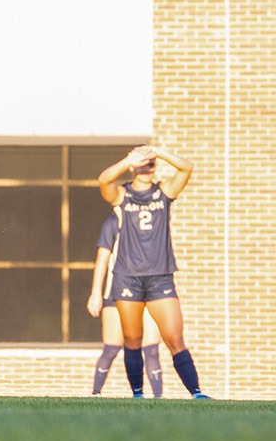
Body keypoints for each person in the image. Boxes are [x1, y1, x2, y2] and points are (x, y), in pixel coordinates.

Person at [97, 144, 208, 399]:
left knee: (174, 338)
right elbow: (103, 180)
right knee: (133, 339)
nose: (148, 166)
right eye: (143, 163)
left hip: (160, 276)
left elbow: (187, 168)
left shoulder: (163, 192)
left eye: (151, 163)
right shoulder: (122, 195)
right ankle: (138, 394)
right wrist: (129, 160)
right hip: (128, 276)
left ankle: (197, 393)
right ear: (135, 167)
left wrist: (158, 151)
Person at [87, 212, 162, 397]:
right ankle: (96, 394)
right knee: (112, 348)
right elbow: (102, 259)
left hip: (149, 291)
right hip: (118, 292)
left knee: (151, 349)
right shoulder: (114, 222)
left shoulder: (155, 221)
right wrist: (96, 292)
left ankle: (158, 399)